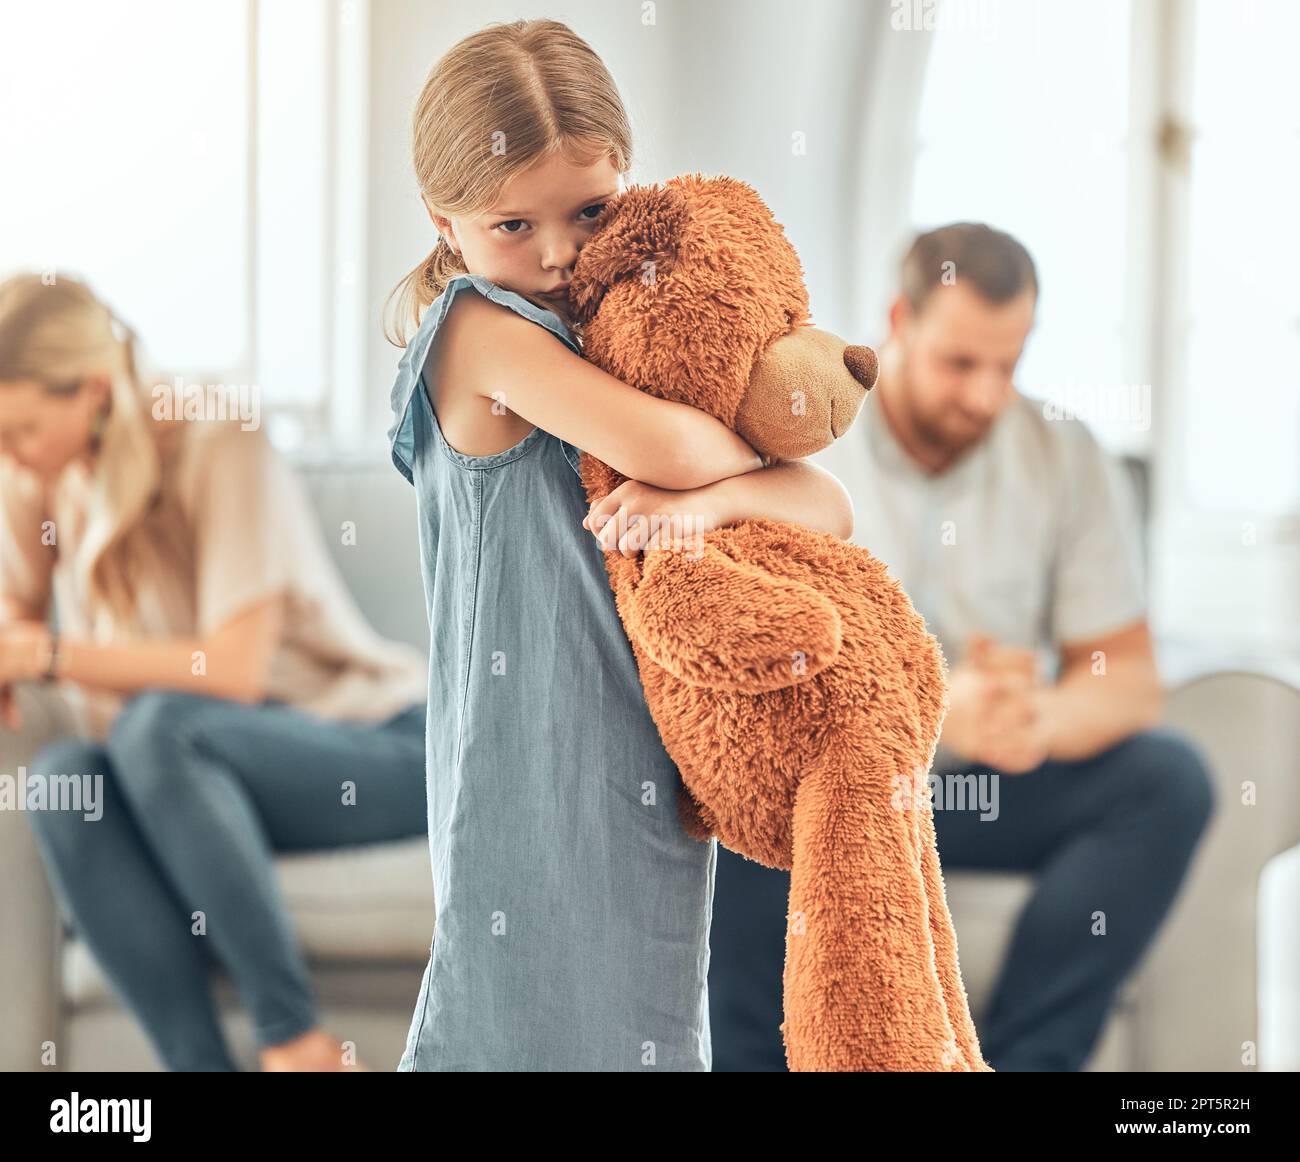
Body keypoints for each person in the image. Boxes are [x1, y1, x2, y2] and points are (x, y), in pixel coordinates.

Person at [383, 18, 854, 1071]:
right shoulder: (475, 333)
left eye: (589, 212)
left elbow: (826, 502)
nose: (556, 253)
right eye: (512, 224)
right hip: (529, 767)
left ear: (627, 183)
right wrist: (721, 470)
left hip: (642, 766)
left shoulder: (626, 338)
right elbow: (668, 447)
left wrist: (708, 509)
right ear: (443, 220)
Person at [708, 222, 1217, 1072]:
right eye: (960, 363)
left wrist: (1037, 720)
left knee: (1170, 780)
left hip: (978, 795)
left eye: (1008, 365)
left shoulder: (1064, 454)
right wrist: (941, 713)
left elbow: (1126, 677)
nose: (986, 395)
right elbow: (751, 668)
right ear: (898, 322)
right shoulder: (797, 434)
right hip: (840, 790)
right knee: (740, 802)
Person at [0, 272, 431, 1072]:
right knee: (65, 780)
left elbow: (232, 670)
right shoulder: (39, 475)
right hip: (196, 787)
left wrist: (48, 654)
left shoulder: (216, 436)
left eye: (19, 429)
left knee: (157, 726)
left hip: (377, 748)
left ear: (92, 390)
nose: (7, 453)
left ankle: (296, 1044)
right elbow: (15, 616)